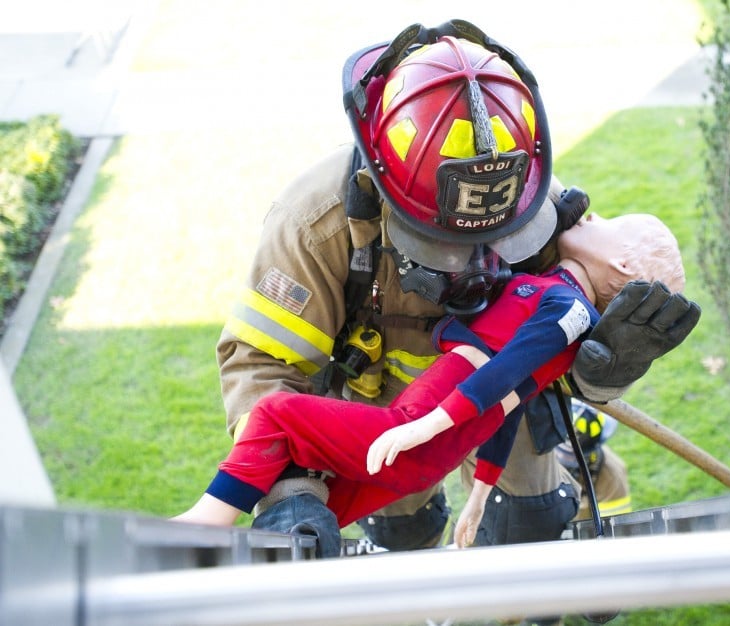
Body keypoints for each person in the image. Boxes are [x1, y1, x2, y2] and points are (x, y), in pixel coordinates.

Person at [213, 19, 701, 559]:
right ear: (384, 190)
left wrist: (604, 373)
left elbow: (570, 330)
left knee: (529, 525)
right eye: (437, 243)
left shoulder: (541, 205)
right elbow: (262, 365)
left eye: (502, 239)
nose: (471, 264)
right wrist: (292, 495)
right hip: (387, 413)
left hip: (501, 401)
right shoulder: (316, 223)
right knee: (403, 534)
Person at [174, 212, 691, 550]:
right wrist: (480, 493)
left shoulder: (564, 306)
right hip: (421, 459)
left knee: (274, 415)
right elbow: (512, 403)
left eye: (608, 222)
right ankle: (245, 570)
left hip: (415, 431)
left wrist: (422, 425)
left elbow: (502, 376)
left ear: (619, 262)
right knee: (311, 533)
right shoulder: (561, 303)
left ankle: (205, 523)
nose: (591, 214)